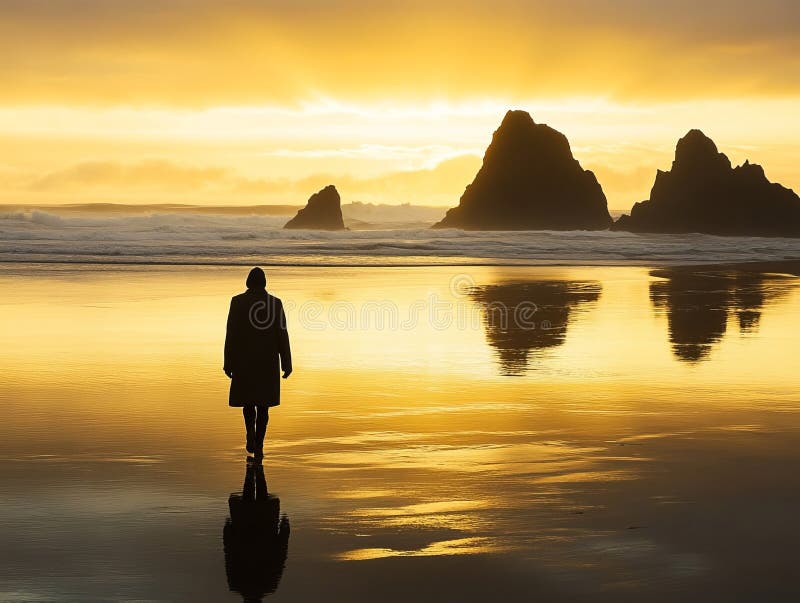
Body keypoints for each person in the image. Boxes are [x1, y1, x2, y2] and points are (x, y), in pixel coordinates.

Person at [224, 267, 292, 459]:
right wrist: (286, 363)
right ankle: (260, 443)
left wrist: (228, 362)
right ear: (264, 283)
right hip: (267, 363)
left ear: (248, 283)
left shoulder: (237, 302)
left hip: (243, 361)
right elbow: (282, 335)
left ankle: (250, 434)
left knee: (248, 404)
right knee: (263, 406)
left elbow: (231, 334)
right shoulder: (275, 303)